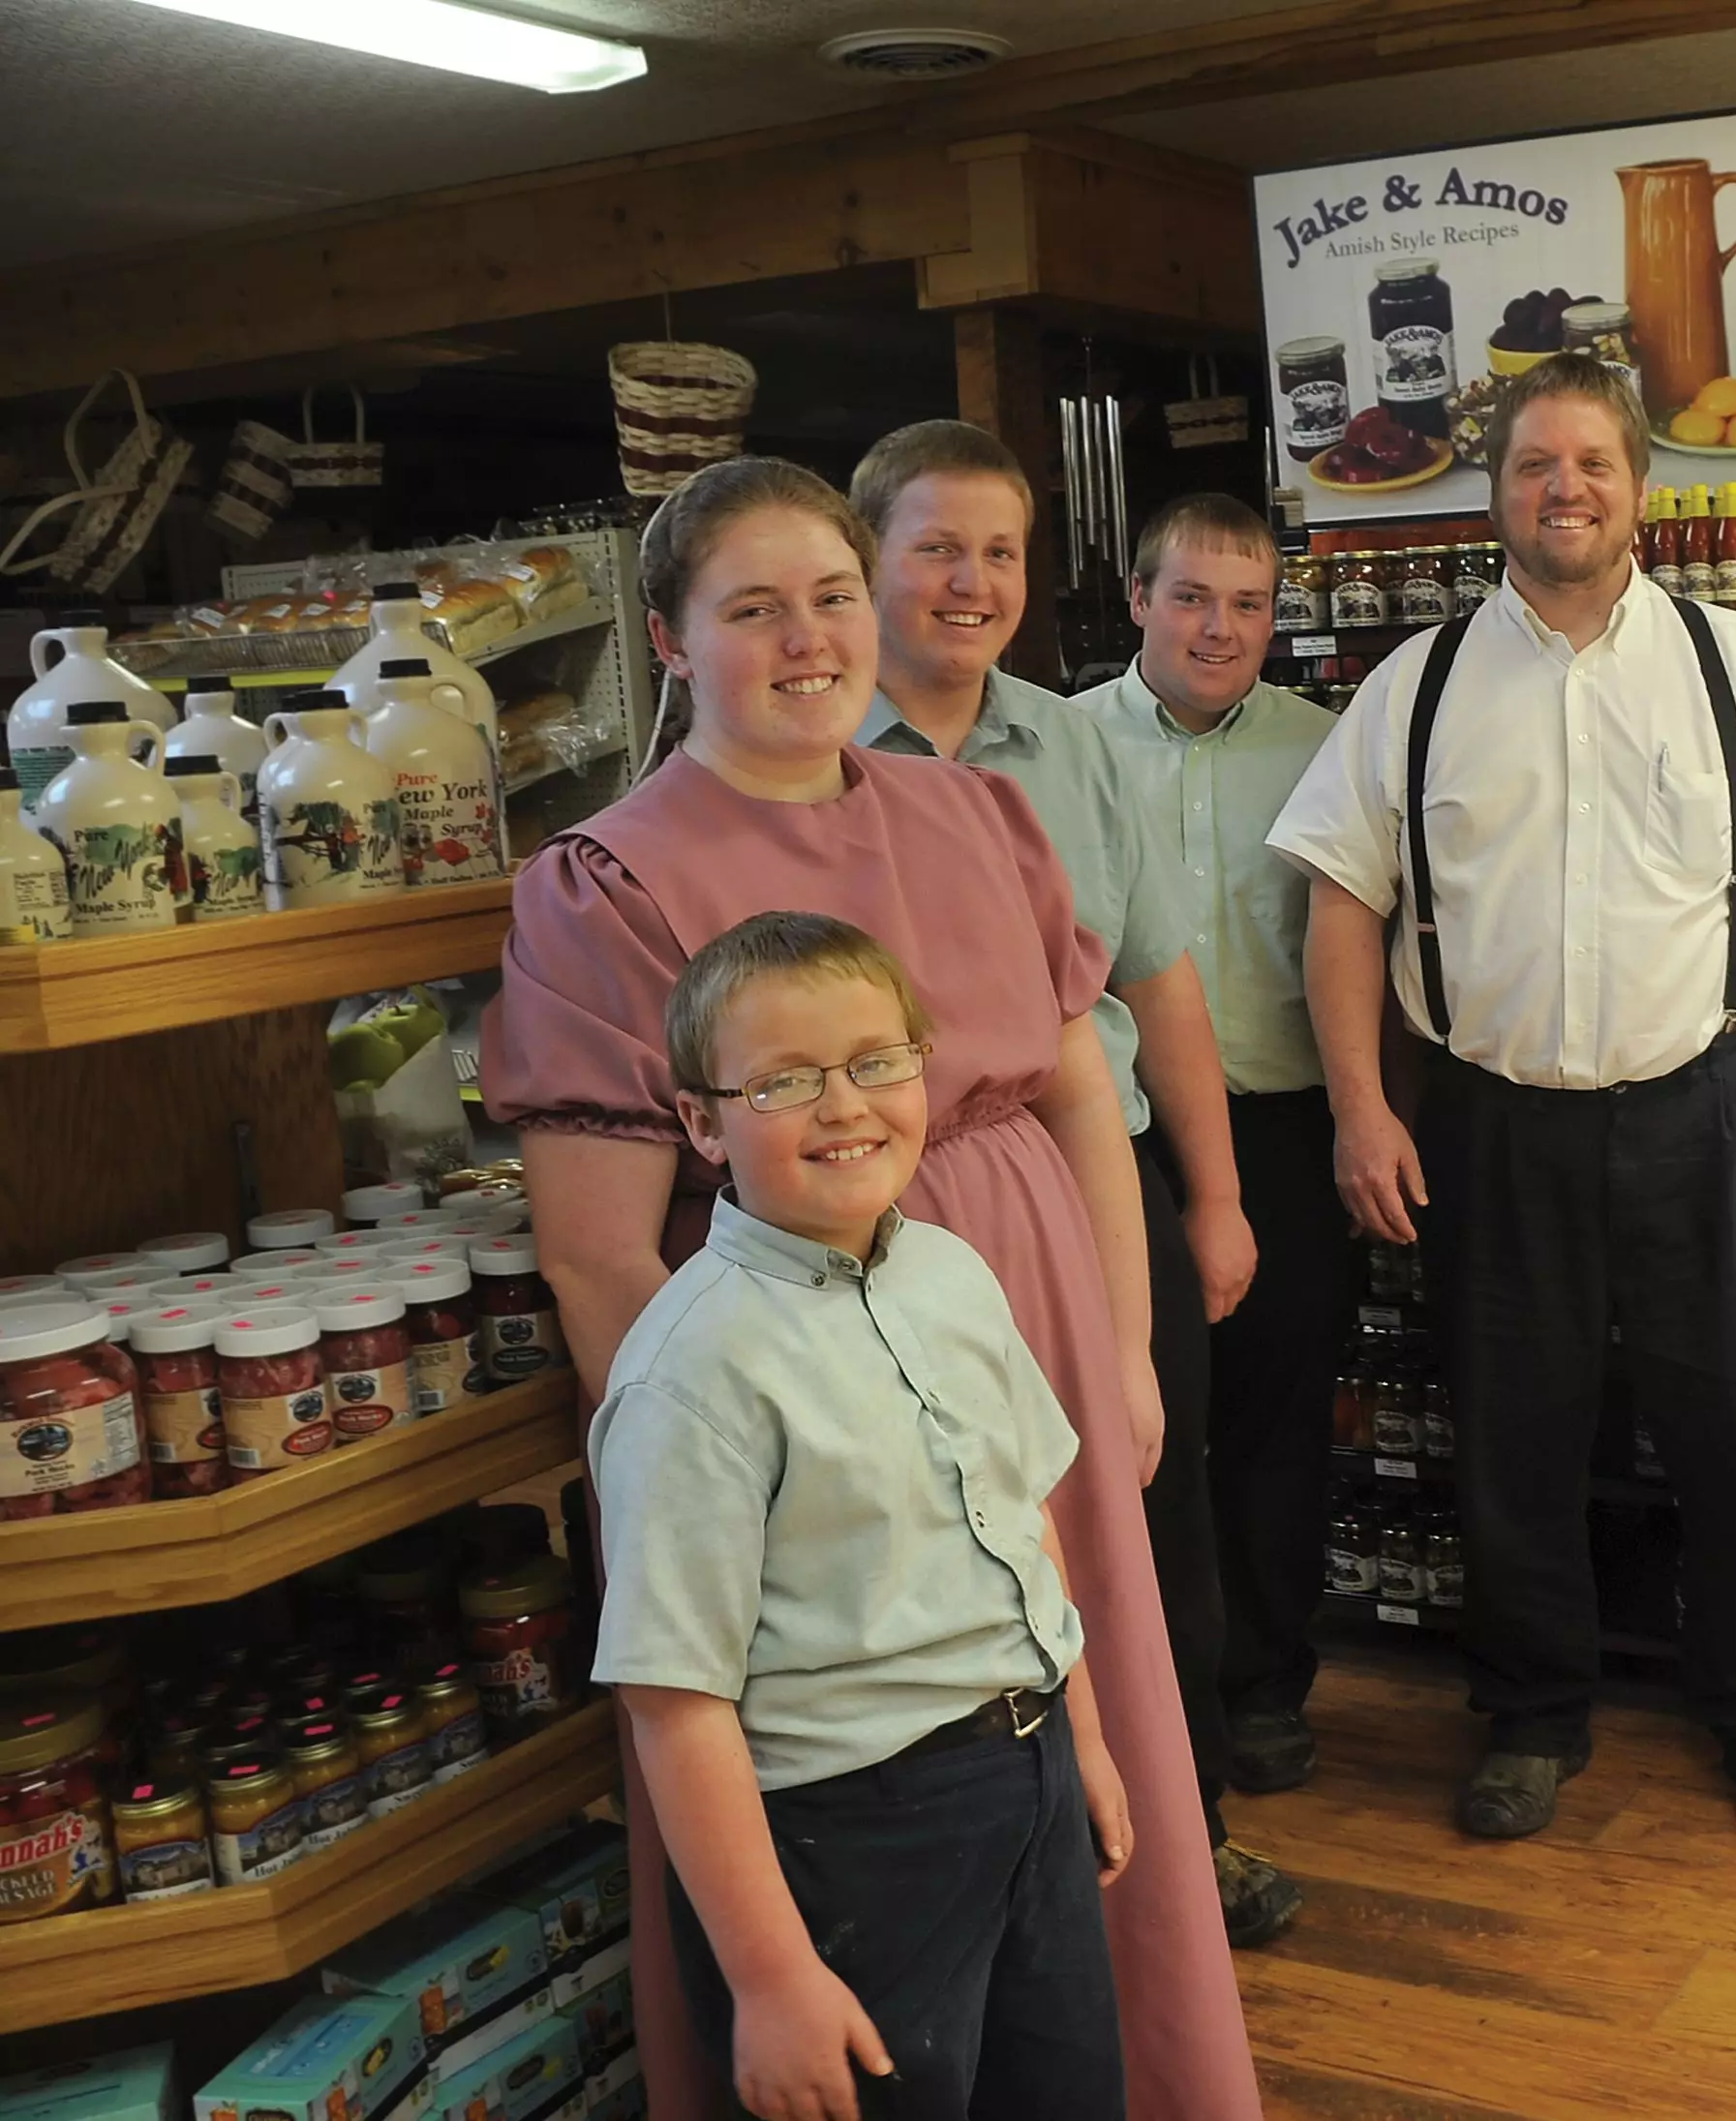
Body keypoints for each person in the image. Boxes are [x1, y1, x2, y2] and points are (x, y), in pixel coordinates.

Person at [480, 456, 1261, 2119]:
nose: (807, 638)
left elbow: (1072, 1089)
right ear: (674, 640)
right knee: (864, 1812)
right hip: (788, 1402)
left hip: (1020, 1306)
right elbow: (602, 1246)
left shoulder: (976, 811)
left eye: (830, 595)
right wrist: (719, 1513)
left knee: (1070, 1726)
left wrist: (1118, 1346)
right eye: (752, 608)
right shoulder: (605, 881)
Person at [1269, 352, 1736, 1848]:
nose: (1566, 487)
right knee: (1511, 1434)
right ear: (1495, 493)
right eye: (1537, 464)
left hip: (1721, 1100)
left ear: (1641, 489)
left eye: (1594, 464)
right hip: (1495, 1116)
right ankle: (1531, 1712)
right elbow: (1343, 912)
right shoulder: (1411, 688)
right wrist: (1363, 1105)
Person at [848, 420, 1298, 1949]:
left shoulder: (1076, 742)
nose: (971, 582)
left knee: (1150, 1513)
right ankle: (1012, 1859)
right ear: (867, 561)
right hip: (898, 1218)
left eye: (999, 553)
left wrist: (1216, 1197)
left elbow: (1161, 990)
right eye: (935, 547)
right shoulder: (816, 755)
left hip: (1096, 1184)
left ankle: (1190, 1835)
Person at [597, 911, 1128, 2121]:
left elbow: (1023, 1528)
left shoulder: (951, 1273)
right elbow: (675, 1705)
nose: (844, 1106)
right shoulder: (694, 1372)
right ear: (702, 1122)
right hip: (852, 1838)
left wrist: (1079, 1741)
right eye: (784, 1080)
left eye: (876, 1061)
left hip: (1027, 1773)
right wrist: (774, 1977)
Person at [1071, 494, 1350, 1803]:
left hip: (1285, 1133)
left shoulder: (1327, 749)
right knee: (1130, 1427)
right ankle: (1149, 1699)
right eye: (1190, 595)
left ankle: (1265, 1690)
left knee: (1277, 1427)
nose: (1219, 626)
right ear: (1137, 598)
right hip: (1110, 1142)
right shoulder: (1054, 748)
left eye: (1248, 602)